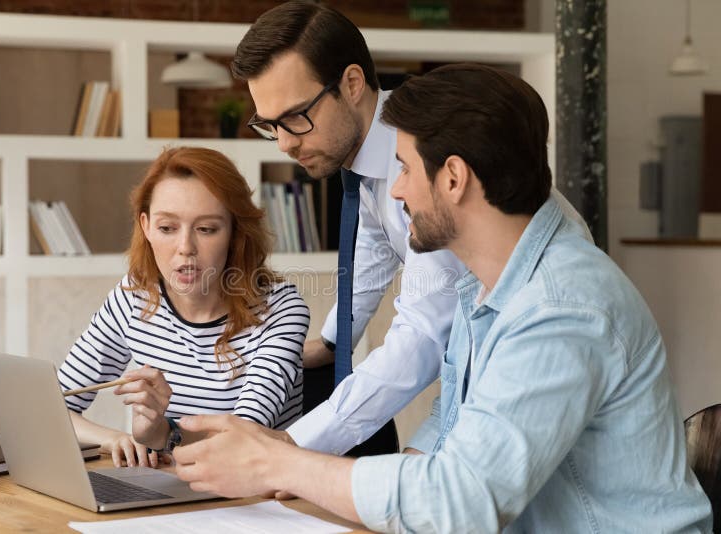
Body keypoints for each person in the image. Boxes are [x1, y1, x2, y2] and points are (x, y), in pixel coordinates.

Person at [166, 64, 713, 532]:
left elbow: (461, 500)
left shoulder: (561, 305)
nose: (396, 189)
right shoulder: (484, 286)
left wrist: (277, 464)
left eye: (404, 168)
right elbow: (453, 432)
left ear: (454, 178)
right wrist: (336, 478)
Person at [231, 0, 588, 457]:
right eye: (269, 125)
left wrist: (290, 446)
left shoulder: (430, 162)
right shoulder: (371, 156)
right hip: (481, 383)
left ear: (352, 83)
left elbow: (423, 332)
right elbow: (373, 254)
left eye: (296, 117)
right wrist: (333, 341)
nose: (283, 142)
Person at [57, 146, 309, 468]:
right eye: (167, 228)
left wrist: (162, 434)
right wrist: (113, 438)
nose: (185, 248)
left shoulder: (281, 311)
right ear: (146, 226)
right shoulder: (132, 298)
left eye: (206, 229)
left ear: (234, 233)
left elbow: (243, 440)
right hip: (169, 491)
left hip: (256, 496)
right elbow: (52, 407)